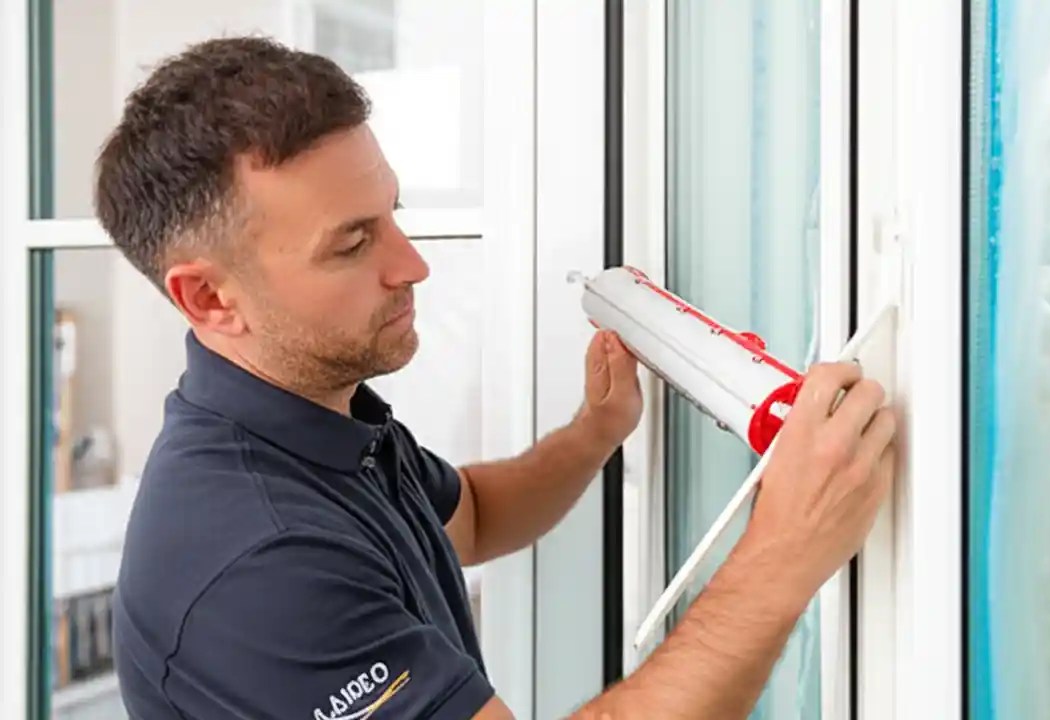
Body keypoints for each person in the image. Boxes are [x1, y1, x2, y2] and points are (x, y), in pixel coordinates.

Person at [101, 36, 897, 720]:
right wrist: (786, 551)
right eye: (351, 245)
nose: (410, 264)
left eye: (392, 215)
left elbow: (473, 517)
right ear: (209, 297)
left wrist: (595, 435)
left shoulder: (315, 423)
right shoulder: (255, 564)